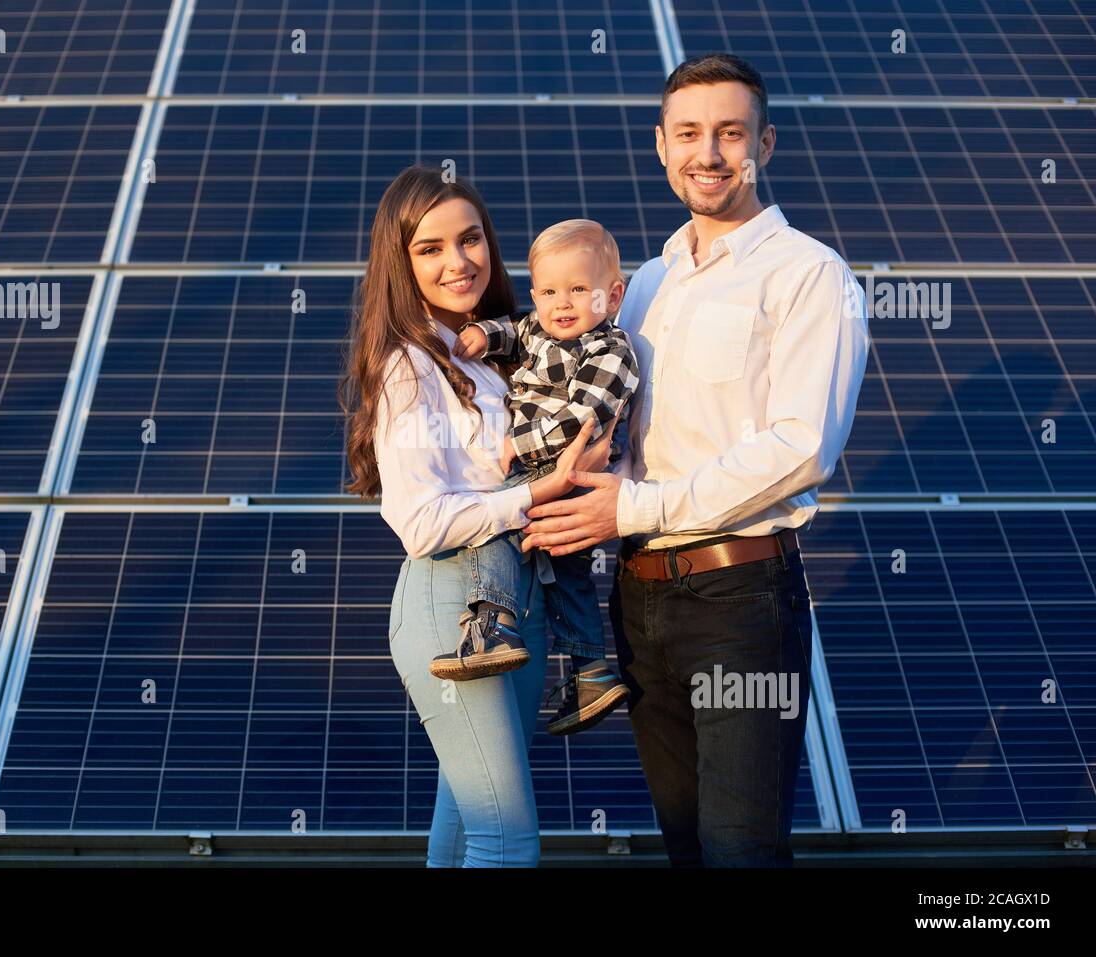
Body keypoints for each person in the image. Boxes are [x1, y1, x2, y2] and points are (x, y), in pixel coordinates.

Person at [520, 53, 871, 866]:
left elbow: (802, 446)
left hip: (741, 602)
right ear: (660, 145)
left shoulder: (807, 275)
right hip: (638, 603)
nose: (707, 153)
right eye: (688, 133)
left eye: (729, 132)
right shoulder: (645, 283)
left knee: (739, 848)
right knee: (684, 845)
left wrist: (630, 509)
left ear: (765, 143)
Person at [340, 166, 616, 866]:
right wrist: (538, 490)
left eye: (470, 239)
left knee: (464, 830)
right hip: (452, 603)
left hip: (518, 604)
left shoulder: (498, 356)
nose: (457, 261)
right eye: (429, 248)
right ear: (399, 263)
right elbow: (421, 522)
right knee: (506, 838)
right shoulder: (409, 363)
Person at [434, 219, 639, 738]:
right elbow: (514, 331)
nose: (561, 304)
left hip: (559, 464)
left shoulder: (609, 351)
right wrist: (484, 332)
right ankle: (590, 671)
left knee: (493, 520)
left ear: (612, 296)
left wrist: (516, 445)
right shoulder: (539, 329)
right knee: (567, 569)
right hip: (555, 468)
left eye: (577, 289)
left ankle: (492, 625)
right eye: (548, 291)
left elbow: (583, 420)